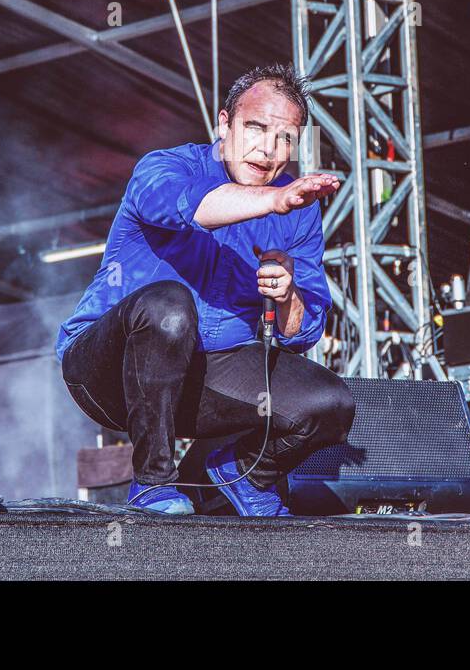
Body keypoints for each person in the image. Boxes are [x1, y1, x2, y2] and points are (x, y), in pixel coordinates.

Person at [57, 63, 355, 516]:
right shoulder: (165, 167)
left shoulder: (299, 211)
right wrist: (272, 200)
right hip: (108, 372)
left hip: (205, 376)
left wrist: (286, 294)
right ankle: (152, 482)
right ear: (224, 123)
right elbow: (194, 208)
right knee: (168, 306)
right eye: (255, 128)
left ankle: (244, 474)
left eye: (285, 139)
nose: (269, 149)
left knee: (330, 403)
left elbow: (302, 331)